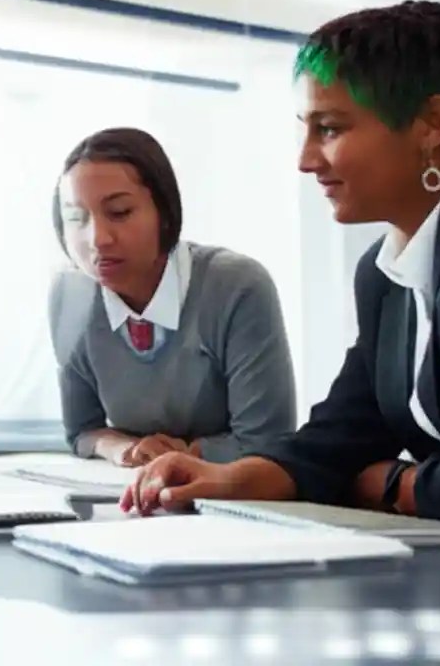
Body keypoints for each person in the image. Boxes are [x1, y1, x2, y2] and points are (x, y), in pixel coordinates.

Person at [124, 0, 440, 525]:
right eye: (306, 130)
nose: (306, 159)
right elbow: (343, 433)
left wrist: (398, 487)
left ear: (432, 123)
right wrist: (232, 478)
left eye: (331, 129)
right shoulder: (383, 275)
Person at [51, 127, 295, 466]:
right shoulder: (70, 296)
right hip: (138, 496)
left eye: (120, 212)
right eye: (77, 218)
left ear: (165, 213)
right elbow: (81, 432)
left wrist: (177, 459)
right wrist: (126, 450)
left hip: (235, 495)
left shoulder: (236, 286)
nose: (98, 239)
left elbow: (267, 442)